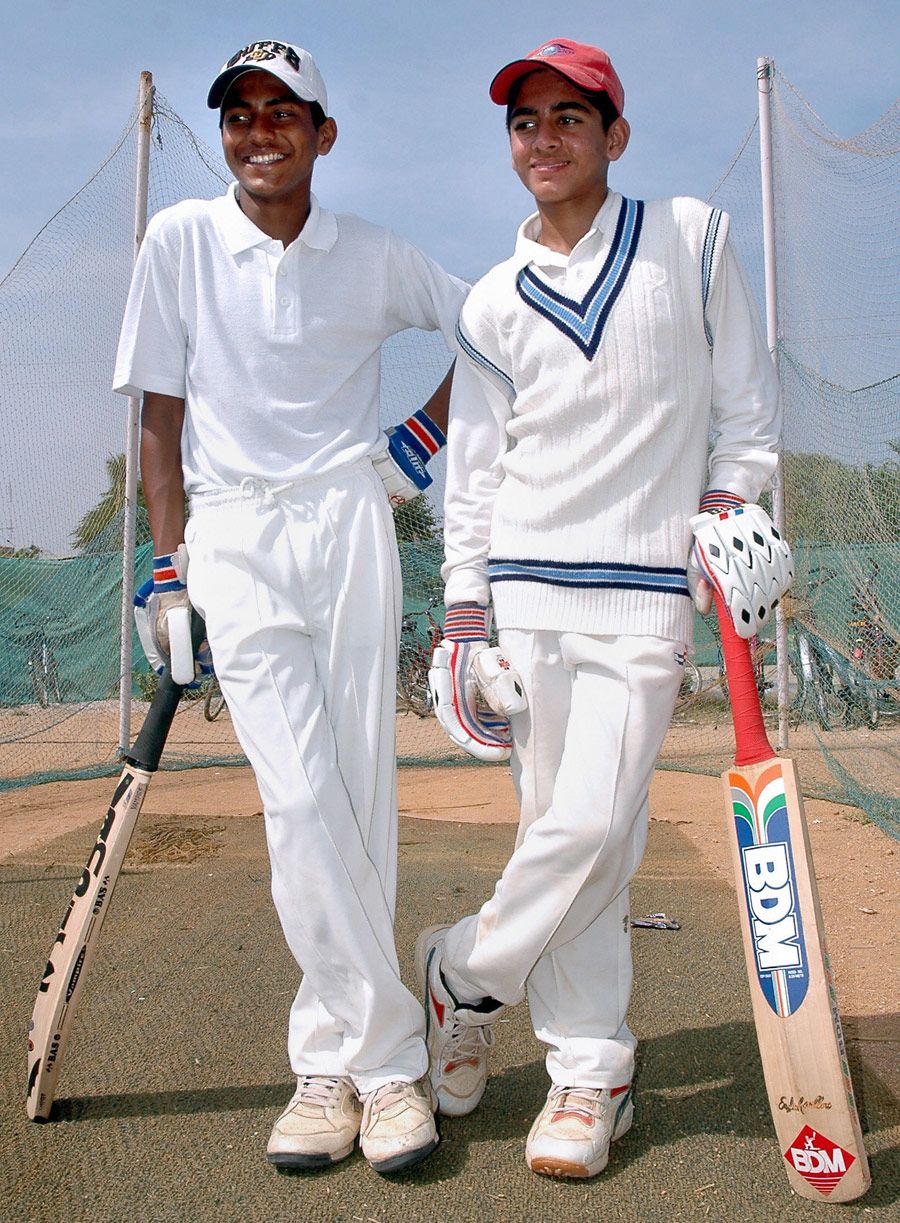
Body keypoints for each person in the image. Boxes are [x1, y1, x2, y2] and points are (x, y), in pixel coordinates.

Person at [420, 37, 790, 1180]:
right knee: (570, 834)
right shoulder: (489, 302)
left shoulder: (691, 236)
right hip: (525, 593)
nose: (544, 137)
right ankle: (591, 1067)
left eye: (568, 118)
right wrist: (462, 615)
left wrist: (731, 504)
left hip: (644, 592)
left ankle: (458, 971)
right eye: (524, 121)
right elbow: (473, 473)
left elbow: (750, 419)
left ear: (613, 134)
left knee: (591, 829)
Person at [113, 39, 467, 1176]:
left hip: (349, 519)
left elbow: (494, 329)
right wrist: (167, 567)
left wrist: (417, 443)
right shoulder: (178, 242)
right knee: (300, 797)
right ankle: (385, 1060)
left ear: (323, 133)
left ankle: (333, 1062)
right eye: (240, 114)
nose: (259, 132)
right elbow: (158, 418)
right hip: (231, 531)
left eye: (283, 113)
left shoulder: (372, 253)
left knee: (357, 786)